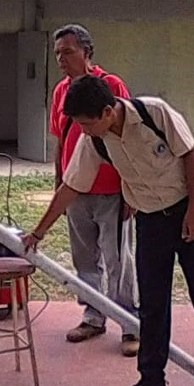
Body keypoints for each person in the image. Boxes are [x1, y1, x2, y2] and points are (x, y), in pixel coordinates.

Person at [23, 75, 194, 386]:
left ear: (108, 111)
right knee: (152, 303)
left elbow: (191, 156)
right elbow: (71, 187)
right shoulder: (94, 140)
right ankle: (152, 382)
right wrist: (38, 232)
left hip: (188, 209)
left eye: (87, 123)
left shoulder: (154, 113)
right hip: (150, 220)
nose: (84, 130)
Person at [50, 24, 140, 357]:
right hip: (76, 191)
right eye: (58, 53)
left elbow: (129, 139)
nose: (61, 59)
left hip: (111, 190)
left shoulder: (111, 85)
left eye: (68, 52)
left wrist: (130, 190)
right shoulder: (61, 91)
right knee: (85, 258)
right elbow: (60, 140)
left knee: (118, 259)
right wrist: (59, 182)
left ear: (87, 52)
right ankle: (93, 315)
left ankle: (130, 322)